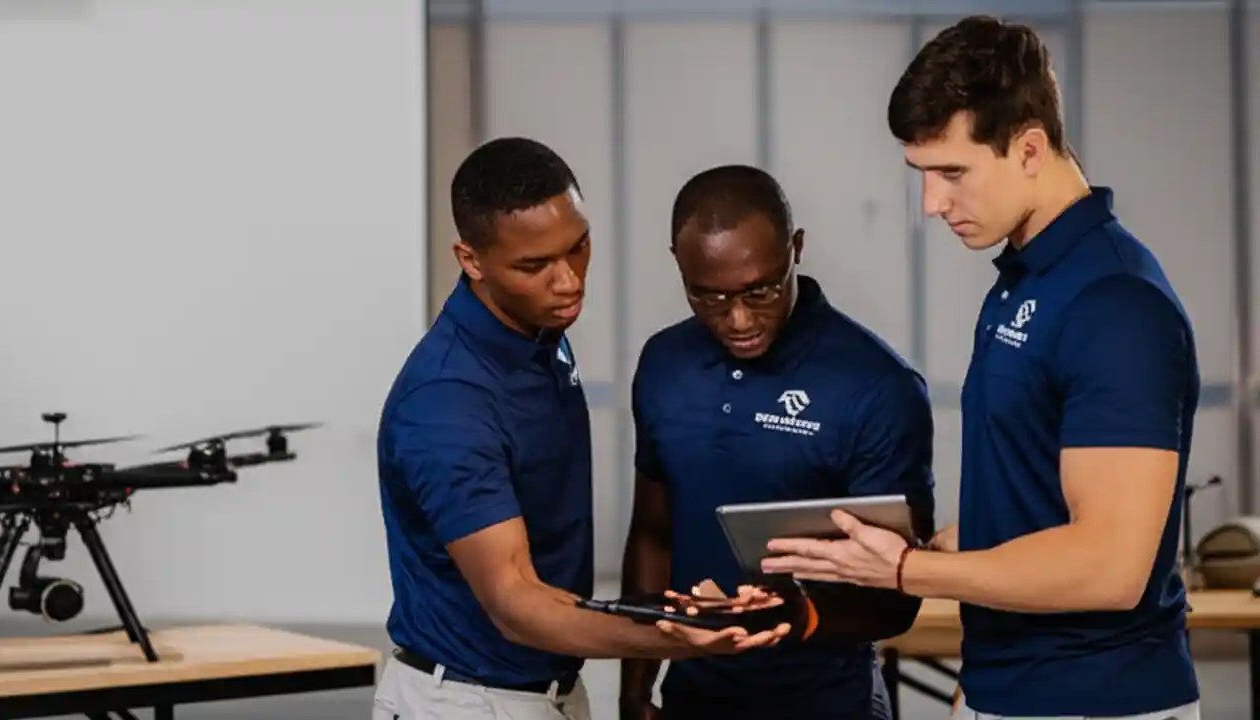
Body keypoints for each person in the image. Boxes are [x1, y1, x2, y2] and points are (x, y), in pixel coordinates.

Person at [762, 15, 1202, 720]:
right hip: (1007, 687)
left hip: (1098, 701)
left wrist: (907, 570)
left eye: (952, 172)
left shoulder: (1116, 302)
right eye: (922, 174)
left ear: (1029, 148)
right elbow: (1028, 507)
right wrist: (875, 550)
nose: (933, 204)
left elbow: (1111, 566)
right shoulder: (1019, 285)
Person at [372, 137, 788, 720]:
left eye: (578, 247)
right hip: (466, 702)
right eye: (534, 266)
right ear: (471, 260)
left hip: (552, 693)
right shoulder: (447, 404)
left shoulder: (534, 331)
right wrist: (673, 635)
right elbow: (515, 600)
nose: (568, 281)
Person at [621, 164, 937, 720]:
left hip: (828, 704)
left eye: (760, 290)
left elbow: (897, 597)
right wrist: (634, 688)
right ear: (678, 262)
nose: (739, 319)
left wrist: (800, 616)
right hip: (694, 700)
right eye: (709, 297)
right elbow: (652, 534)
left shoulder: (877, 387)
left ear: (796, 249)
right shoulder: (664, 365)